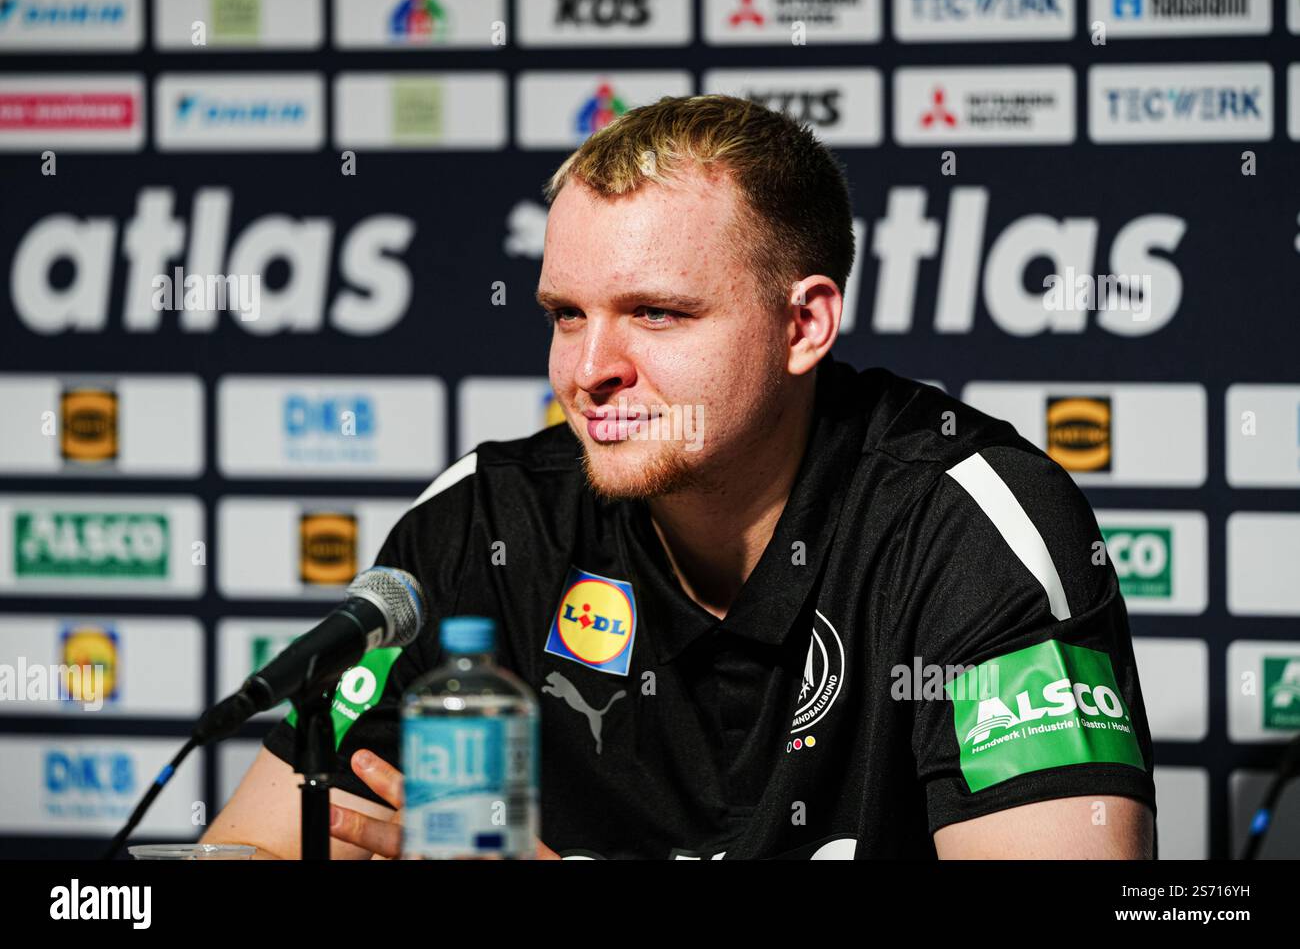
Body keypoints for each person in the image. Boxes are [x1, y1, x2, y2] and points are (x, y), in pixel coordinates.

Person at [202, 95, 1156, 860]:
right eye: (567, 314)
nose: (587, 372)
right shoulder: (487, 521)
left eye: (655, 314)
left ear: (804, 325)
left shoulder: (970, 526)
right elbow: (242, 845)